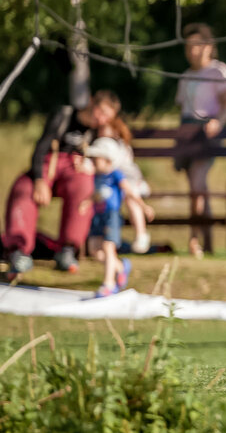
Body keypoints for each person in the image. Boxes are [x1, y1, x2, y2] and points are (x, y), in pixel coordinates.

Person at [3, 91, 121, 280]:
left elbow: (108, 159)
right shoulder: (64, 115)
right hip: (49, 164)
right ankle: (19, 250)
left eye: (107, 117)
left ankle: (68, 249)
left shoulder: (98, 130)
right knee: (23, 189)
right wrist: (39, 180)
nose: (102, 119)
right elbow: (41, 147)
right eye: (101, 112)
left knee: (83, 187)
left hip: (74, 171)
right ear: (92, 103)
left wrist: (88, 165)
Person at [175, 23, 226, 258]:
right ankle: (207, 242)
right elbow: (183, 107)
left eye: (197, 45)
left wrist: (218, 122)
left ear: (209, 47)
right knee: (198, 188)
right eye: (189, 46)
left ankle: (193, 239)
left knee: (198, 186)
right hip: (187, 133)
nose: (193, 51)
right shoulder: (186, 75)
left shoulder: (219, 71)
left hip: (207, 134)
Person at [83, 138, 152, 297]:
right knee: (94, 250)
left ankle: (108, 284)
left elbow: (129, 192)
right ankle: (121, 267)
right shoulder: (96, 176)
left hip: (111, 215)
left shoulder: (116, 175)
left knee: (108, 247)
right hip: (97, 216)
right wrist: (87, 202)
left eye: (96, 158)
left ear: (108, 159)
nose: (93, 161)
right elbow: (96, 194)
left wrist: (143, 206)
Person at [100, 118, 155, 254]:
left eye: (104, 128)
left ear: (115, 130)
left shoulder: (120, 146)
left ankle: (141, 234)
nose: (101, 131)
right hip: (114, 183)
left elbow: (114, 165)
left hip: (129, 180)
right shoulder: (102, 144)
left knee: (131, 199)